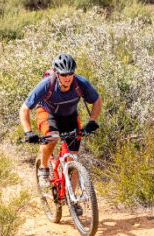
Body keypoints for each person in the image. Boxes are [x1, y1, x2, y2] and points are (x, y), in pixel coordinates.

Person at [20, 53, 102, 189]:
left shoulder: (80, 83)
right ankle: (43, 168)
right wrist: (28, 132)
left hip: (70, 115)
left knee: (73, 158)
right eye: (64, 74)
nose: (68, 77)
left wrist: (92, 121)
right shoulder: (46, 85)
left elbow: (97, 100)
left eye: (70, 73)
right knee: (52, 138)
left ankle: (73, 202)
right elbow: (24, 109)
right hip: (48, 113)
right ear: (57, 73)